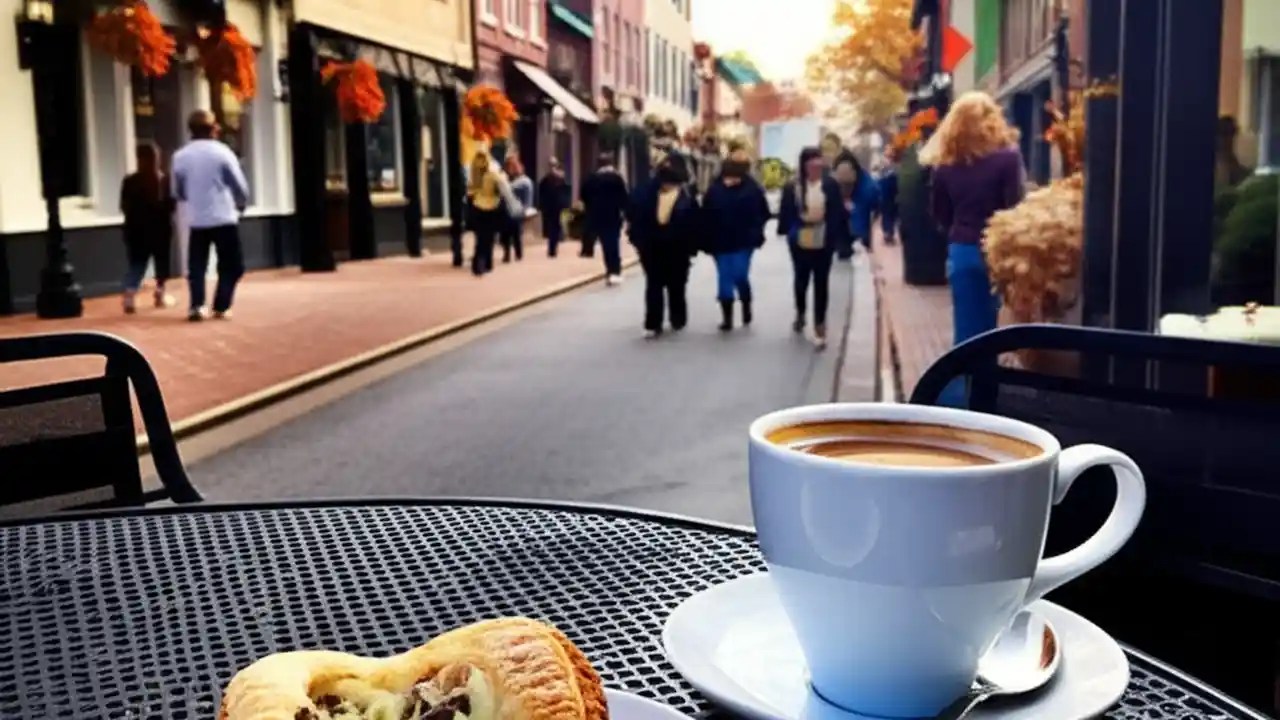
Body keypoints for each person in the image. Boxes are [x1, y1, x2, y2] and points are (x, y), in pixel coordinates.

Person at [930, 91, 1024, 348]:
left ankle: (962, 385)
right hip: (996, 250)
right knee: (992, 330)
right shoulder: (1008, 159)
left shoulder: (945, 167)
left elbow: (940, 214)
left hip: (962, 249)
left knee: (966, 331)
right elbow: (1014, 206)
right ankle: (986, 383)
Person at [172, 110, 250, 322]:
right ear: (213, 129)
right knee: (233, 264)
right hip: (224, 216)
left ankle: (197, 305)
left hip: (197, 218)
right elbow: (238, 185)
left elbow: (177, 191)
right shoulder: (222, 153)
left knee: (197, 265)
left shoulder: (180, 156)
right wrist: (241, 204)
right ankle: (221, 305)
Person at [777, 146, 848, 348]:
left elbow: (837, 211)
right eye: (811, 163)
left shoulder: (830, 185)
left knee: (821, 281)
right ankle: (800, 311)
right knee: (801, 279)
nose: (816, 167)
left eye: (818, 162)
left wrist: (835, 235)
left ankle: (819, 323)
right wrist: (789, 231)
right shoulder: (793, 186)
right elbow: (786, 212)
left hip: (823, 237)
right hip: (800, 237)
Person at [627, 153, 699, 338]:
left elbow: (694, 224)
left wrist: (691, 248)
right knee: (654, 285)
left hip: (677, 249)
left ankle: (677, 318)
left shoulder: (687, 198)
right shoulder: (646, 195)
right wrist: (637, 240)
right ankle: (653, 322)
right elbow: (634, 216)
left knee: (676, 286)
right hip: (652, 246)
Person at [700, 148, 770, 331]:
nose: (731, 181)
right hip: (720, 242)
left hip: (744, 241)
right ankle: (727, 317)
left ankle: (746, 300)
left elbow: (763, 213)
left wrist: (756, 232)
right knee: (725, 278)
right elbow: (705, 215)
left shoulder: (752, 190)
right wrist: (705, 238)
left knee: (740, 274)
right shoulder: (714, 191)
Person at [119, 142, 176, 314]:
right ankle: (160, 293)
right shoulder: (164, 180)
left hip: (135, 229)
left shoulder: (130, 181)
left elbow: (123, 206)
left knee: (137, 263)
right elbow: (171, 205)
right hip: (160, 228)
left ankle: (130, 293)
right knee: (162, 261)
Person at [579, 152, 629, 285]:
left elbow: (583, 195)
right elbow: (624, 197)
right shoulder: (617, 178)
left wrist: (591, 207)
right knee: (613, 243)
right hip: (613, 216)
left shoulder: (591, 179)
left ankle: (609, 269)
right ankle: (615, 271)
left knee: (605, 244)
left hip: (597, 216)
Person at [831, 150, 880, 259]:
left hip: (861, 237)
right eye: (841, 185)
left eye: (848, 185)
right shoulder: (830, 187)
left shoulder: (868, 190)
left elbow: (861, 224)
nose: (844, 190)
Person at [466, 151, 505, 276]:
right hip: (490, 208)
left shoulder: (473, 176)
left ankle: (478, 263)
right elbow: (500, 189)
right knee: (488, 238)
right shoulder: (492, 175)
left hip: (477, 208)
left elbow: (469, 193)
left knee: (480, 238)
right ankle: (486, 263)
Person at [502, 155, 532, 263]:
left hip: (517, 210)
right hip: (506, 210)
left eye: (512, 165)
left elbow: (527, 196)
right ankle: (507, 254)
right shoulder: (504, 178)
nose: (510, 168)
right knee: (505, 234)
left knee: (516, 234)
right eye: (508, 165)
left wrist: (525, 209)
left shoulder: (523, 181)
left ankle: (518, 254)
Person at [538, 158, 569, 257]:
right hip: (554, 206)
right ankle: (553, 248)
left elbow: (565, 191)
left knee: (553, 227)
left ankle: (553, 248)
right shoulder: (557, 177)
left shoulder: (550, 178)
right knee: (554, 227)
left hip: (554, 206)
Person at [877, 151, 900, 245]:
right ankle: (888, 233)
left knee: (888, 214)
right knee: (889, 214)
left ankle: (888, 233)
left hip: (888, 194)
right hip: (890, 194)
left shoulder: (884, 167)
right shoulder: (895, 168)